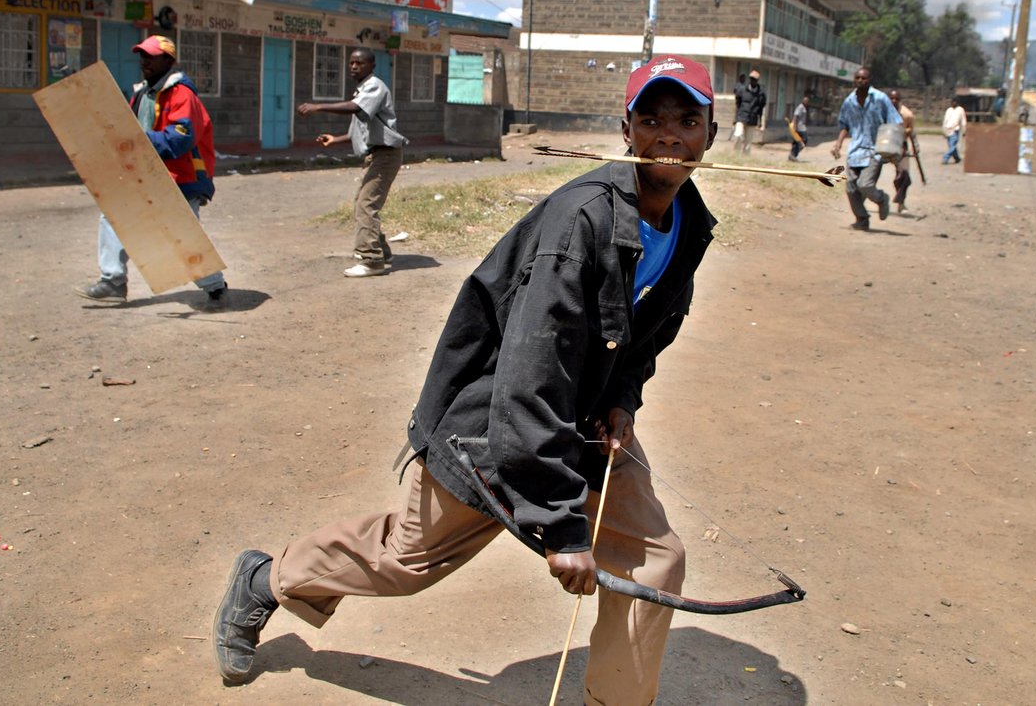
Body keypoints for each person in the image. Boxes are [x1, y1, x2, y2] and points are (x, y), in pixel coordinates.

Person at [214, 55, 721, 705]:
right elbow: (528, 377)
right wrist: (561, 525)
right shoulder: (582, 220)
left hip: (581, 421)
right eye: (652, 118)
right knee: (406, 559)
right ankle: (267, 577)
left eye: (687, 119)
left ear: (712, 128)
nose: (669, 134)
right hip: (490, 423)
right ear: (628, 127)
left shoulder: (689, 225)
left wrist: (622, 400)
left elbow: (647, 334)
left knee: (656, 558)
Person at [74, 35, 227, 305]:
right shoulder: (142, 93)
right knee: (114, 215)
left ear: (168, 60)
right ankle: (113, 281)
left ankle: (215, 285)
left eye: (151, 56)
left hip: (181, 177)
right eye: (142, 55)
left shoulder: (181, 94)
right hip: (148, 174)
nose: (144, 61)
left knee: (183, 237)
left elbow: (180, 138)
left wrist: (136, 140)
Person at [297, 48, 407, 278]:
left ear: (371, 66)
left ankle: (371, 260)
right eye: (351, 63)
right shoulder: (363, 90)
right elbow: (360, 129)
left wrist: (317, 107)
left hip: (386, 154)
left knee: (366, 204)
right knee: (362, 201)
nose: (354, 67)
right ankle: (382, 253)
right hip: (377, 153)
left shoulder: (374, 85)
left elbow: (355, 107)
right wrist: (334, 139)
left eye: (360, 63)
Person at [831, 67, 901, 231]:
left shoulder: (880, 99)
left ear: (870, 80)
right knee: (850, 188)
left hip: (874, 151)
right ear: (854, 80)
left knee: (865, 185)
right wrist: (838, 144)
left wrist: (895, 148)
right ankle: (862, 219)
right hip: (855, 151)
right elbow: (845, 125)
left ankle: (881, 199)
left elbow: (894, 122)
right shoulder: (849, 102)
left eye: (864, 78)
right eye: (858, 78)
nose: (860, 81)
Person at [888, 90, 915, 213]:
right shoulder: (882, 110)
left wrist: (904, 132)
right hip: (883, 145)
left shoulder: (907, 114)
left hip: (900, 145)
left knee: (903, 175)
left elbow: (911, 131)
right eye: (891, 98)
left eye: (896, 99)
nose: (893, 101)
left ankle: (901, 202)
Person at [731, 69, 767, 154]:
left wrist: (760, 122)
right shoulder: (742, 90)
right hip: (741, 117)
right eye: (751, 79)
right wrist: (735, 117)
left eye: (754, 79)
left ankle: (745, 159)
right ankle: (735, 155)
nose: (752, 81)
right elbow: (738, 104)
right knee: (738, 135)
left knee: (748, 142)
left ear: (757, 81)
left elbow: (761, 108)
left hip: (752, 119)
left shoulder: (761, 94)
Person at [941, 96, 967, 164]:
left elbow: (963, 121)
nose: (953, 103)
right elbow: (945, 121)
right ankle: (957, 158)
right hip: (948, 129)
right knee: (951, 146)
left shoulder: (960, 110)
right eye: (952, 102)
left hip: (955, 130)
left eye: (955, 102)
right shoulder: (949, 110)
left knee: (952, 145)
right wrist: (944, 131)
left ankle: (945, 158)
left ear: (957, 103)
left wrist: (964, 130)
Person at [789, 93, 810, 160]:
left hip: (802, 127)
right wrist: (795, 126)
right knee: (803, 140)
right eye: (806, 101)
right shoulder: (800, 107)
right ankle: (793, 155)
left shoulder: (804, 108)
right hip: (799, 127)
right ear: (803, 101)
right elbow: (796, 116)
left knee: (797, 141)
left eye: (807, 101)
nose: (807, 102)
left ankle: (793, 155)